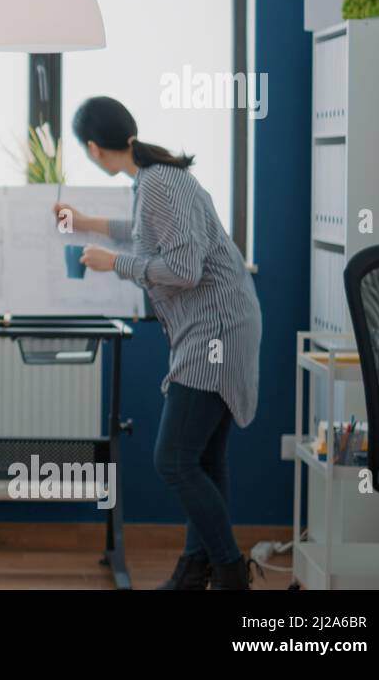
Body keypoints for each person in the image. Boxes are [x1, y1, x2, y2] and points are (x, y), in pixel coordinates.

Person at [55, 95, 263, 590]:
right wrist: (89, 224)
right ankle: (195, 570)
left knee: (173, 459)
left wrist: (115, 262)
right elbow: (151, 234)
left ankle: (231, 571)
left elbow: (185, 270)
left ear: (92, 148)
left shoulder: (159, 184)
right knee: (205, 459)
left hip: (216, 334)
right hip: (220, 325)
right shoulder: (156, 179)